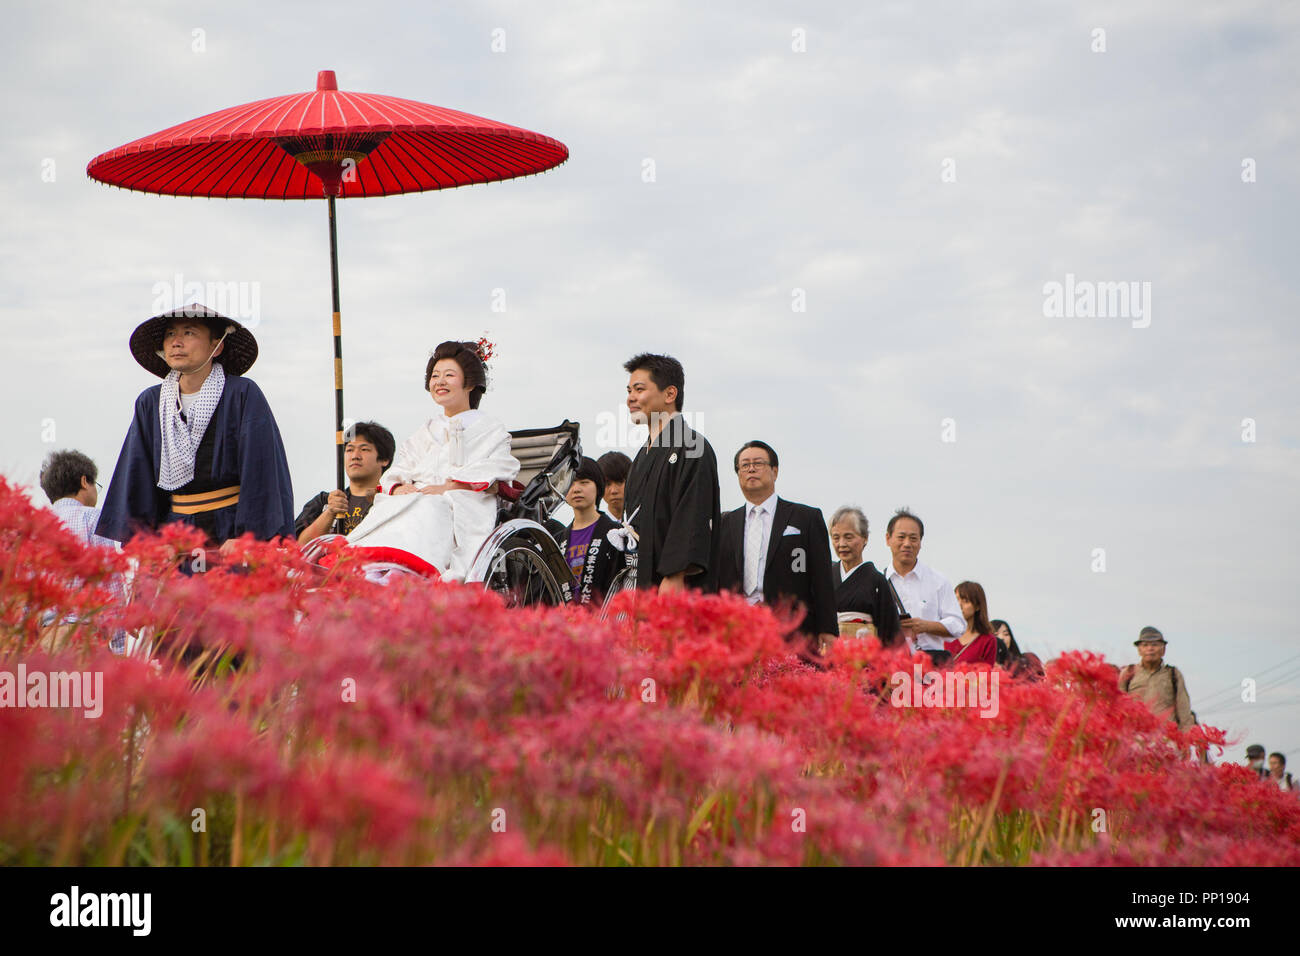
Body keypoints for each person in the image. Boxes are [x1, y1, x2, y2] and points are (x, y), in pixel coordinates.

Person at [96, 305, 295, 558]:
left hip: (230, 532)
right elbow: (136, 475)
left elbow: (262, 472)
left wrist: (248, 538)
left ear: (217, 345)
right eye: (170, 334)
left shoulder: (242, 394)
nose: (176, 342)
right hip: (174, 536)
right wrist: (150, 541)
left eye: (188, 333)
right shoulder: (150, 402)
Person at [345, 340, 518, 581]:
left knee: (431, 506)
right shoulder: (427, 430)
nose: (440, 382)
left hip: (462, 503)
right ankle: (374, 565)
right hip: (418, 497)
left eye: (449, 375)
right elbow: (401, 467)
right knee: (401, 505)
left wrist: (448, 487)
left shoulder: (490, 430)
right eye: (435, 376)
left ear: (469, 382)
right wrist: (398, 487)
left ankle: (406, 571)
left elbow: (501, 471)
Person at [717, 441, 837, 654]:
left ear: (775, 471)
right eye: (744, 465)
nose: (751, 469)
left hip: (792, 631)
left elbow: (822, 577)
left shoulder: (806, 518)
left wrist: (828, 628)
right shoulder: (724, 523)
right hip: (738, 631)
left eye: (758, 463)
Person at [620, 353, 721, 593]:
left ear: (669, 394)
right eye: (629, 391)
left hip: (671, 583)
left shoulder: (691, 445)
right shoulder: (643, 453)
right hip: (636, 578)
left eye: (639, 389)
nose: (631, 398)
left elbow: (693, 513)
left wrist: (675, 574)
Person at [38, 450, 124, 653]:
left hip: (47, 639)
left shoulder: (37, 524)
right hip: (86, 637)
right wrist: (119, 646)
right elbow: (111, 582)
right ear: (85, 481)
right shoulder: (95, 519)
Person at [881, 508, 963, 664]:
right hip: (890, 667)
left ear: (920, 542)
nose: (907, 544)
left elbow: (958, 625)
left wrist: (926, 626)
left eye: (913, 538)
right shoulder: (878, 581)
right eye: (901, 537)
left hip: (930, 669)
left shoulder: (938, 581)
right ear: (888, 539)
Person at [295, 421, 396, 543]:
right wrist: (330, 512)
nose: (355, 456)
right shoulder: (323, 501)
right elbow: (299, 546)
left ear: (384, 459)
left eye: (364, 449)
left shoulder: (392, 502)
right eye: (349, 450)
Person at [827, 506, 900, 646]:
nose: (841, 544)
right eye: (836, 538)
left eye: (848, 537)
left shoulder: (876, 580)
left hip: (865, 657)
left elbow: (889, 631)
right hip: (830, 656)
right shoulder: (826, 576)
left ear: (865, 538)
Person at [564, 457, 623, 605]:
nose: (576, 489)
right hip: (564, 625)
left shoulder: (616, 534)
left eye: (584, 482)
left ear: (598, 487)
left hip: (604, 622)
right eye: (570, 483)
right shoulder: (556, 540)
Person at [1117, 626, 1195, 731]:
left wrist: (1186, 738)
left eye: (1155, 645)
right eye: (1145, 645)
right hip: (1136, 736)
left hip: (1166, 737)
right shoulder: (1128, 673)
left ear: (1163, 650)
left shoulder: (1173, 674)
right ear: (1139, 650)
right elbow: (1118, 706)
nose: (1150, 649)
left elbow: (1184, 710)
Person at [945, 581, 998, 666]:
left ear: (977, 606)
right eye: (956, 600)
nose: (959, 605)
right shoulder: (943, 634)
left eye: (965, 601)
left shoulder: (988, 641)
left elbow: (987, 675)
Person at [596, 451, 631, 521]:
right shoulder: (595, 527)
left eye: (619, 482)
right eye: (607, 484)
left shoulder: (645, 523)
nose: (614, 491)